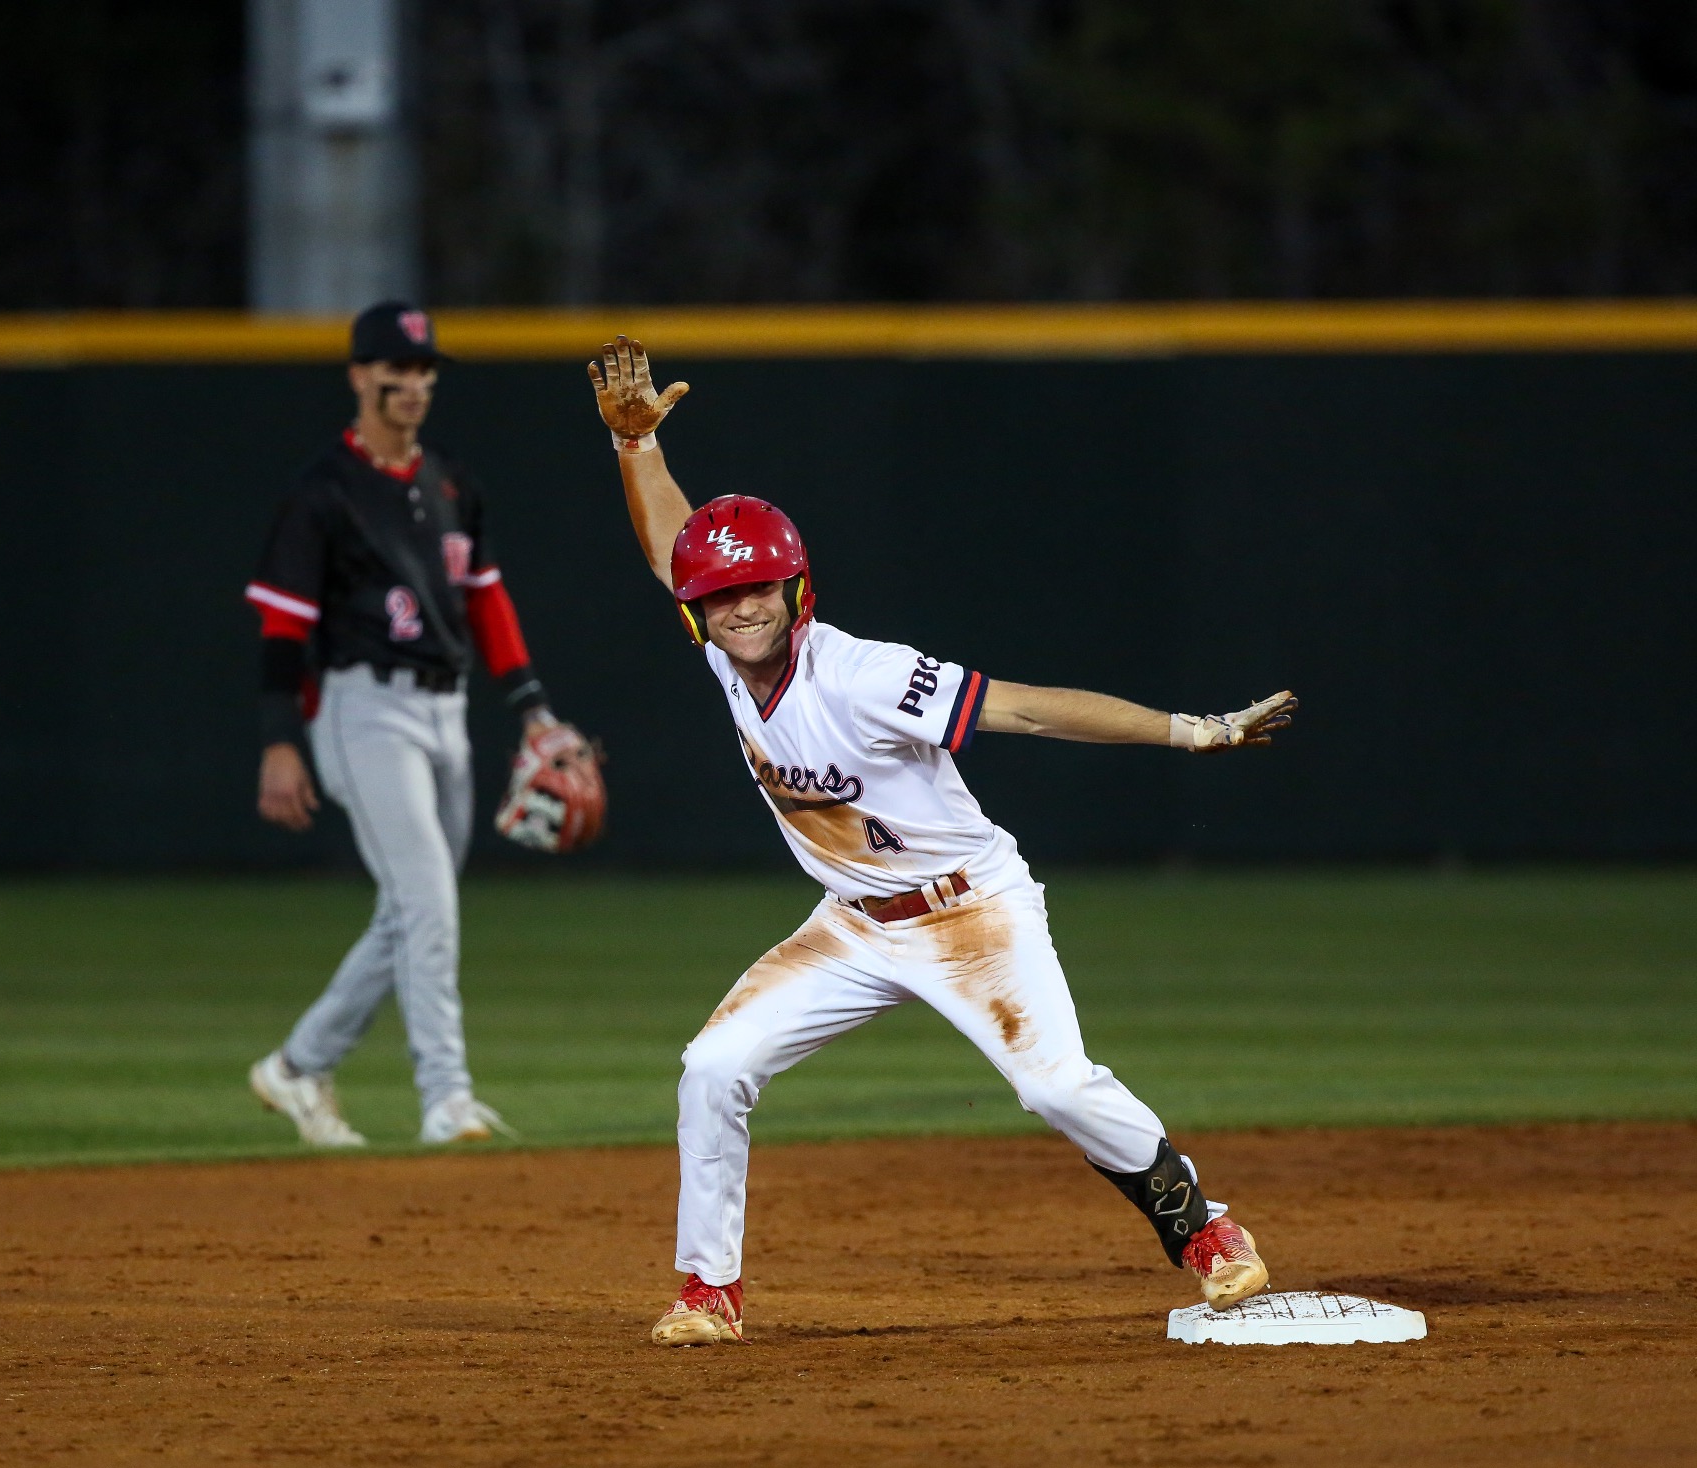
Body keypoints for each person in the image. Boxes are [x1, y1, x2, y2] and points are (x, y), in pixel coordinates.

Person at [586, 335, 1297, 1346]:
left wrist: (1191, 730)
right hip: (851, 926)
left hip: (971, 911)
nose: (741, 606)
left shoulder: (862, 675)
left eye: (760, 588)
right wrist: (637, 450)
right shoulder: (726, 656)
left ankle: (1203, 1229)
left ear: (798, 592)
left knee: (1053, 1084)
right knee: (712, 1067)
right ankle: (709, 1293)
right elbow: (675, 551)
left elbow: (1027, 709)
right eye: (721, 597)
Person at [242, 301, 570, 1148]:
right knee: (426, 902)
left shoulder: (451, 481)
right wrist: (280, 739)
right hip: (364, 708)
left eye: (425, 369)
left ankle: (299, 1064)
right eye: (398, 368)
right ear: (359, 375)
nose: (414, 383)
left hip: (445, 707)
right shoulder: (323, 490)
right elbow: (282, 626)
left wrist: (532, 707)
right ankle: (446, 1097)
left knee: (416, 910)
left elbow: (486, 599)